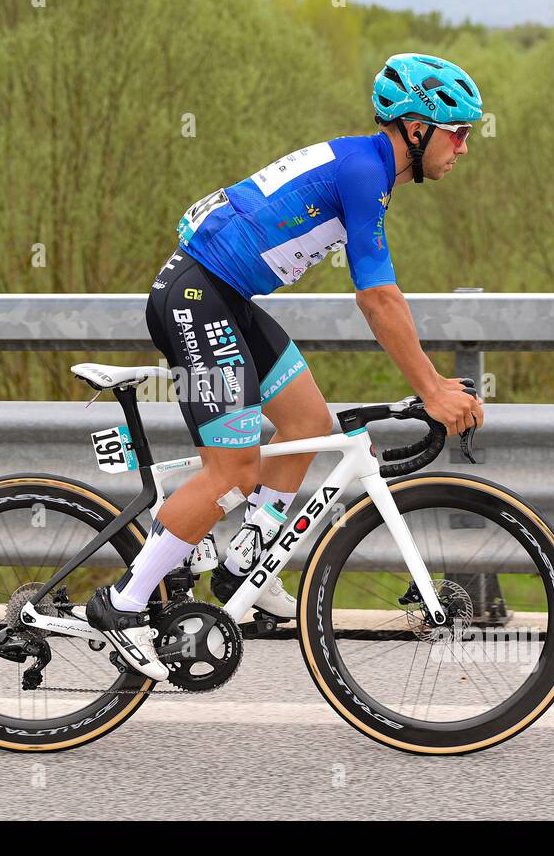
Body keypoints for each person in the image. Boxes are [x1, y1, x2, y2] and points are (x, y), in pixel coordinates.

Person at [87, 53, 487, 679]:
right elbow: (378, 298)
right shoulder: (363, 172)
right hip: (197, 297)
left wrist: (431, 383)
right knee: (234, 469)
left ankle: (251, 556)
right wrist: (431, 388)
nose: (465, 147)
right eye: (459, 131)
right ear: (416, 128)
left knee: (306, 421)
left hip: (224, 296)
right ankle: (123, 603)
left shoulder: (368, 168)